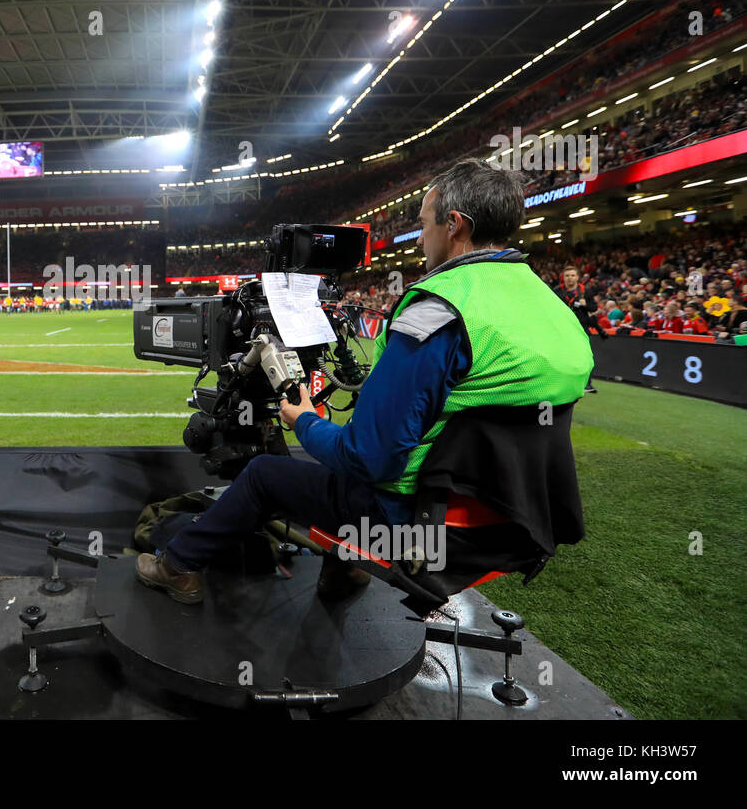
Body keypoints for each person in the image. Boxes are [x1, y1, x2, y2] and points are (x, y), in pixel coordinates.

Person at [135, 158, 593, 605]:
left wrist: (305, 421)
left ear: (454, 224)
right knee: (335, 471)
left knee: (263, 475)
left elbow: (371, 459)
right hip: (511, 519)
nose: (420, 240)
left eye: (424, 223)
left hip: (415, 522)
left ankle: (177, 567)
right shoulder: (552, 307)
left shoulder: (440, 310)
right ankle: (344, 569)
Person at [556, 265, 605, 393]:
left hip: (581, 327)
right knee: (561, 354)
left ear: (577, 277)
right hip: (563, 328)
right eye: (567, 276)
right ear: (563, 278)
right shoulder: (557, 291)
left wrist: (586, 305)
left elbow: (594, 308)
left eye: (572, 275)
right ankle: (561, 382)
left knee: (586, 355)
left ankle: (587, 384)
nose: (570, 278)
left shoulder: (585, 291)